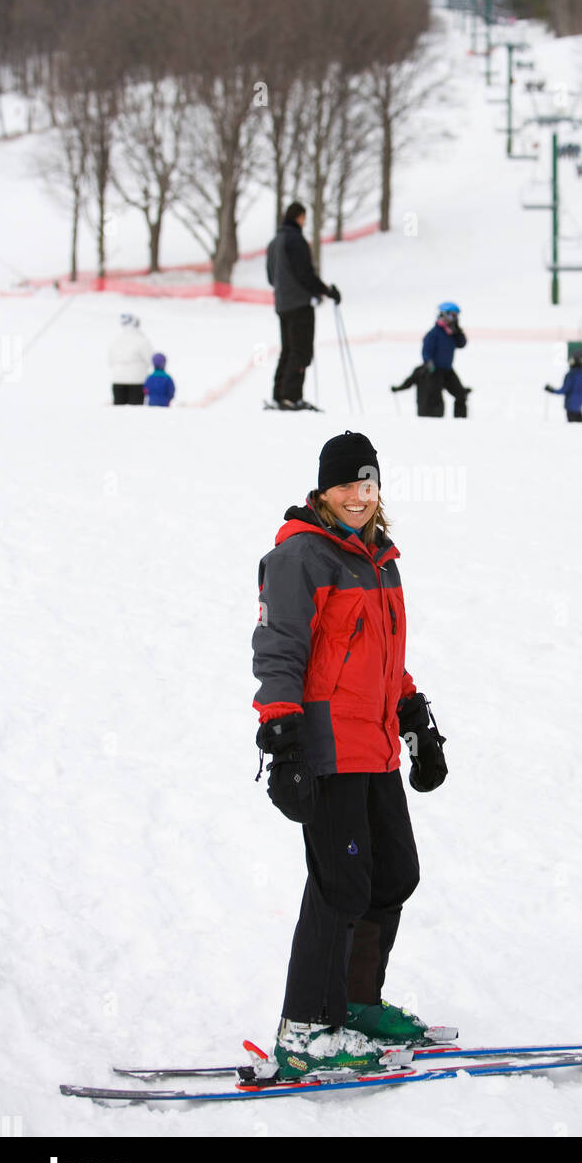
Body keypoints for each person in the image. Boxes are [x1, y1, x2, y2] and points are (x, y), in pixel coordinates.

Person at [251, 430, 448, 1082]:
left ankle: (356, 1004)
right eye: (346, 485)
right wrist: (281, 738)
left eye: (368, 484)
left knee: (391, 874)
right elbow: (280, 649)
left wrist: (413, 715)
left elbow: (382, 658)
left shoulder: (378, 559)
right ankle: (306, 1029)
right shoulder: (301, 557)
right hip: (328, 749)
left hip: (376, 746)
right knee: (340, 887)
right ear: (324, 491)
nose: (359, 496)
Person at [266, 202, 341, 411]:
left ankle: (279, 395)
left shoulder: (274, 243)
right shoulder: (295, 240)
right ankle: (292, 397)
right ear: (299, 217)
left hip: (282, 304)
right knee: (301, 351)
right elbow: (305, 274)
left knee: (288, 350)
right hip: (299, 304)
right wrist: (325, 290)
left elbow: (271, 277)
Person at [421, 303, 470, 418]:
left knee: (461, 394)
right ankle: (435, 423)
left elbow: (461, 344)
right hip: (435, 370)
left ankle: (461, 422)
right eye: (452, 315)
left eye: (456, 315)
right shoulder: (434, 333)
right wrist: (428, 362)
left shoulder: (452, 332)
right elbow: (426, 351)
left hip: (448, 370)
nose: (455, 318)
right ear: (443, 314)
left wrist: (458, 332)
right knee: (435, 398)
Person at [108, 314, 154, 405]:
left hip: (118, 379)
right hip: (137, 381)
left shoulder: (115, 340)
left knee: (118, 412)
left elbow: (110, 361)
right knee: (135, 412)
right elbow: (150, 359)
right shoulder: (142, 340)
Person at [544, 354, 582, 422]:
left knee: (573, 428)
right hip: (580, 405)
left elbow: (564, 390)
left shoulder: (571, 375)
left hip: (571, 405)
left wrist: (552, 390)